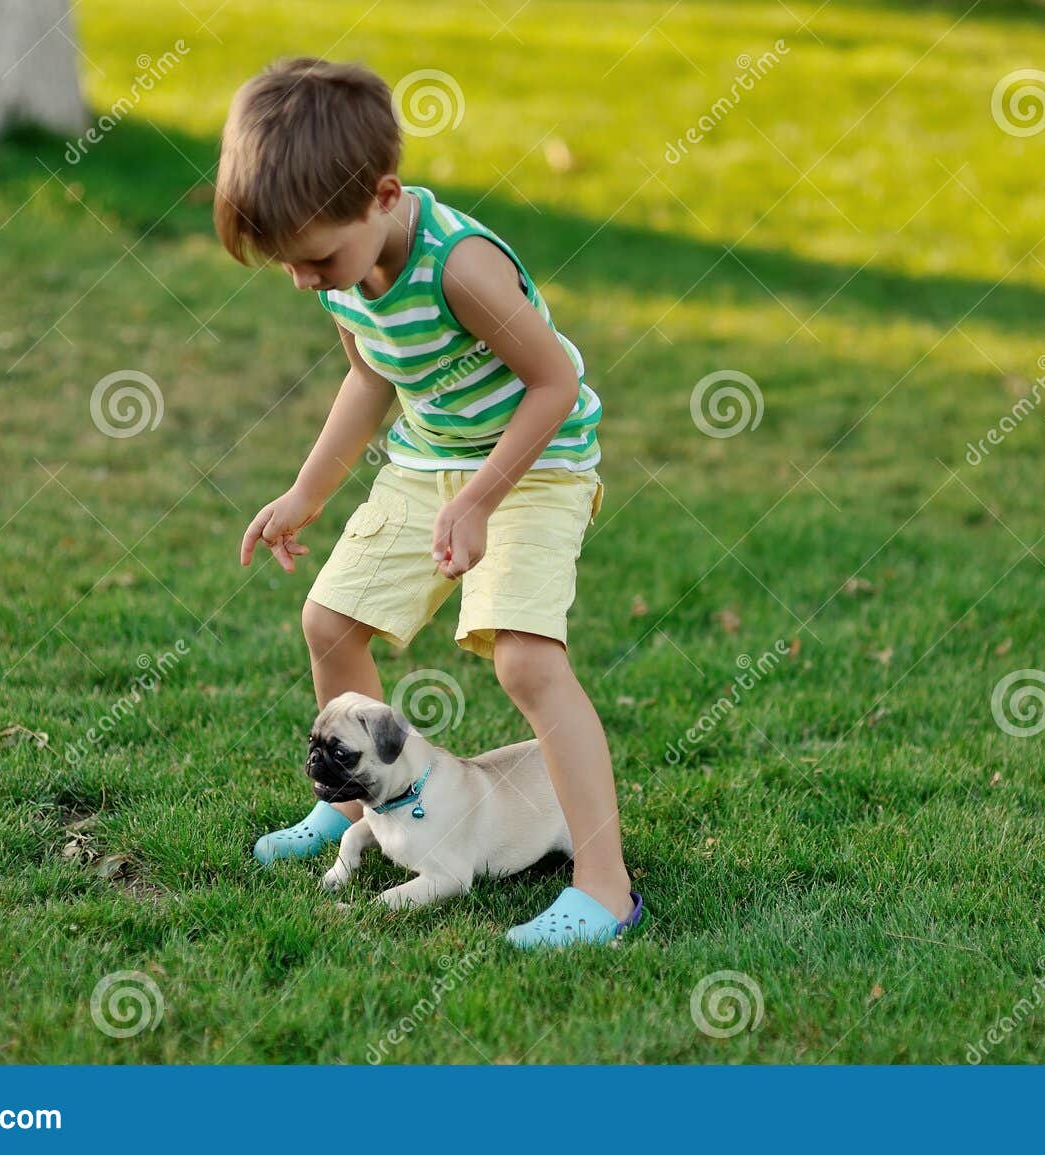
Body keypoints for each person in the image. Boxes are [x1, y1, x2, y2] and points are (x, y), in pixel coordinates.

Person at [217, 57, 643, 949]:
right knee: (330, 620)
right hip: (430, 459)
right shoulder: (347, 272)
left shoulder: (461, 268)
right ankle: (351, 805)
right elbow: (370, 376)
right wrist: (306, 491)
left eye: (314, 258)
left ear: (382, 196)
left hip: (536, 463)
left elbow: (555, 383)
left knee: (525, 661)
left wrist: (482, 500)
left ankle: (605, 889)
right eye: (289, 263)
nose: (303, 280)